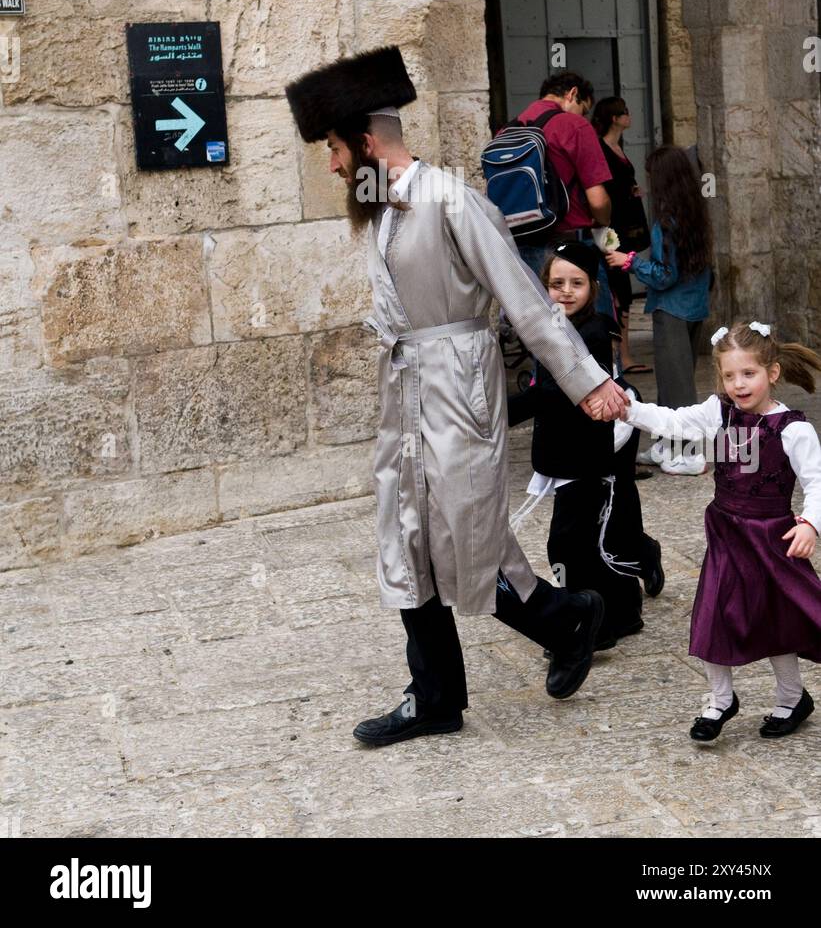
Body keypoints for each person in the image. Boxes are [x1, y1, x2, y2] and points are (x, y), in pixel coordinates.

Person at [285, 46, 629, 748]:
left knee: (464, 539)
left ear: (366, 140)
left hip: (458, 388)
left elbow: (524, 298)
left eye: (332, 149)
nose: (331, 166)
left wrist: (588, 380)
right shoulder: (380, 210)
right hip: (406, 387)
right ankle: (437, 694)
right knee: (407, 539)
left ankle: (565, 617)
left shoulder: (451, 200)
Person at [623, 321, 821, 741]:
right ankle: (719, 699)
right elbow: (673, 421)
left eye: (747, 374)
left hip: (772, 540)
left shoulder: (794, 429)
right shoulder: (718, 412)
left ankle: (791, 697)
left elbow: (819, 483)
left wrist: (809, 524)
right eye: (729, 376)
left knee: (778, 618)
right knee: (712, 614)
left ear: (772, 373)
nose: (738, 384)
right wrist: (627, 407)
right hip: (727, 534)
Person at [508, 241, 659, 650]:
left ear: (593, 287)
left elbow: (559, 391)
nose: (567, 291)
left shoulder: (591, 333)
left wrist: (503, 413)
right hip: (564, 453)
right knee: (581, 545)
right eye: (557, 283)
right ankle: (623, 609)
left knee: (567, 545)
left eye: (577, 283)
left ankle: (596, 622)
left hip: (587, 454)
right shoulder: (551, 326)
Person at [605, 144, 712, 475]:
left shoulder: (665, 220)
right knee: (673, 383)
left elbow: (665, 275)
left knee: (678, 389)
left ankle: (690, 455)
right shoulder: (695, 211)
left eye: (652, 176)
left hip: (672, 311)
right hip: (694, 307)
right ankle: (667, 444)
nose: (648, 183)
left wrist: (631, 262)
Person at [515, 71, 615, 318]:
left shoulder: (510, 129)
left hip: (523, 247)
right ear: (573, 94)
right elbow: (598, 199)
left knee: (545, 334)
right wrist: (604, 221)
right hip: (570, 245)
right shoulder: (574, 125)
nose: (584, 116)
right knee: (595, 329)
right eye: (584, 109)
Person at [591, 96, 651, 374]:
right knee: (619, 289)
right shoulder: (601, 149)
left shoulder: (617, 147)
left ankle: (623, 353)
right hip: (611, 228)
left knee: (622, 288)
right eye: (625, 112)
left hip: (626, 224)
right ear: (614, 117)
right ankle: (621, 355)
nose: (630, 116)